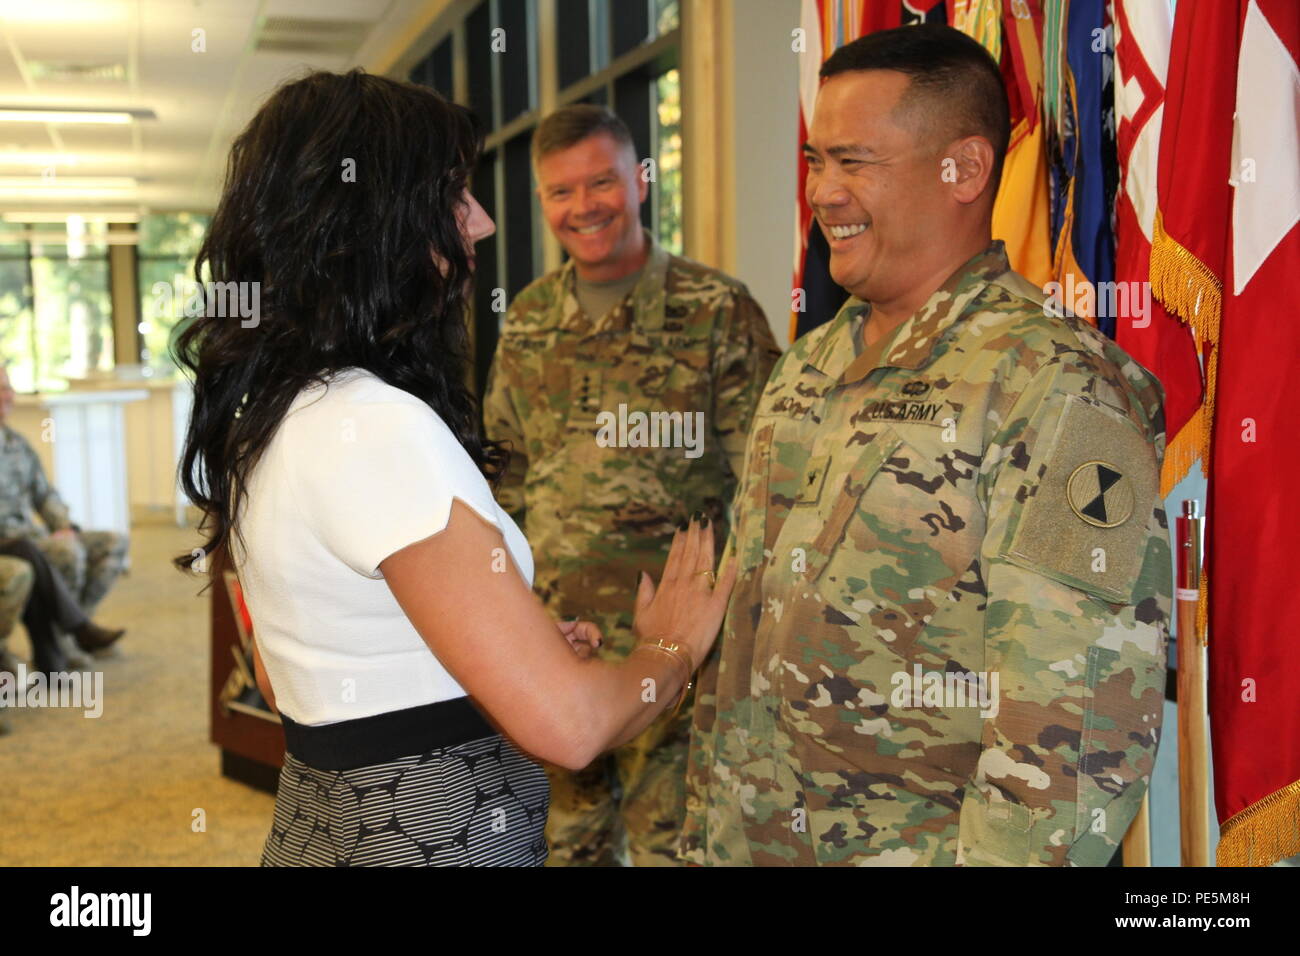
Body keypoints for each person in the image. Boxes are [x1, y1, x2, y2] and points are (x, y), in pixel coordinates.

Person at [173, 70, 735, 868]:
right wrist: (669, 653)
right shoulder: (376, 426)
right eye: (453, 194)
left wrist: (515, 657)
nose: (481, 222)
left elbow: (288, 672)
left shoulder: (276, 407)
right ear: (377, 220)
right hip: (434, 834)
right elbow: (570, 729)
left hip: (326, 821)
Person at [680, 25, 1170, 867]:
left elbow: (1077, 735)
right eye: (814, 161)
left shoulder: (1060, 387)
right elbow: (744, 662)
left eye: (854, 162)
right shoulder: (807, 364)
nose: (824, 193)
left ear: (966, 170)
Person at [483, 104, 780, 866]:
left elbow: (768, 486)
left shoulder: (716, 312)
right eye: (560, 192)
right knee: (561, 843)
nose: (583, 207)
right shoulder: (528, 319)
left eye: (602, 182)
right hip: (555, 644)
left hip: (674, 648)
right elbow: (501, 476)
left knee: (671, 847)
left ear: (640, 180)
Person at [0, 365, 128, 669]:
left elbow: (45, 494)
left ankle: (68, 634)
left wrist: (63, 525)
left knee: (112, 543)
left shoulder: (16, 444)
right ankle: (76, 631)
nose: (6, 395)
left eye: (7, 387)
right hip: (9, 542)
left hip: (27, 539)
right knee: (61, 552)